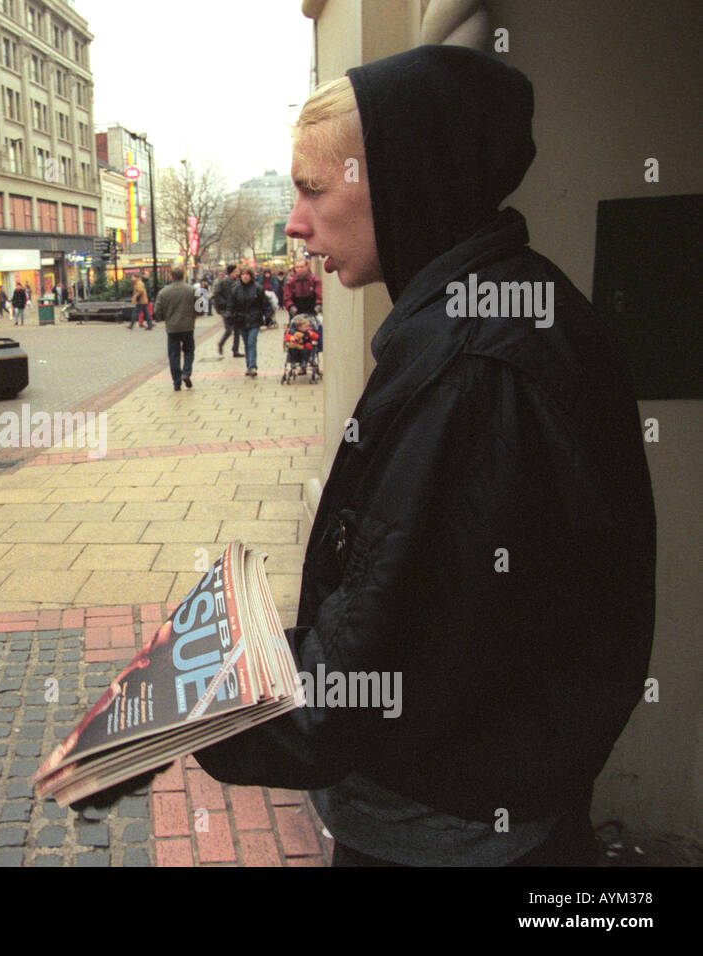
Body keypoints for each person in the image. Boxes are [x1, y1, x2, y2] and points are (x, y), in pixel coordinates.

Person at [194, 45, 656, 867]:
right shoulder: (502, 311)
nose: (295, 225)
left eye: (310, 188)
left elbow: (377, 664)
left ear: (398, 180)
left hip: (445, 830)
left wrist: (195, 701)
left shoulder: (470, 371)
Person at [155, 264, 198, 390]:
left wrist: (165, 318)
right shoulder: (192, 290)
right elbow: (200, 307)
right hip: (188, 326)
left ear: (171, 276)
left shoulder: (163, 292)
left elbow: (157, 311)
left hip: (172, 328)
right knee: (189, 351)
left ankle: (176, 382)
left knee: (174, 355)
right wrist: (193, 315)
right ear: (184, 276)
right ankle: (186, 372)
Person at [225, 266, 272, 376]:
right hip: (240, 320)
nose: (245, 277)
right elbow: (231, 305)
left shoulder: (258, 288)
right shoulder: (235, 289)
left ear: (251, 276)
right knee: (246, 343)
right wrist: (229, 315)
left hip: (254, 319)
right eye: (243, 274)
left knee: (251, 342)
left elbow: (265, 304)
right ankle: (249, 365)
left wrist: (268, 316)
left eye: (247, 274)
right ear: (240, 276)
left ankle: (252, 366)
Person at [283, 257, 322, 323]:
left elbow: (320, 295)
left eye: (302, 267)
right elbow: (287, 297)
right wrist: (291, 307)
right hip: (296, 311)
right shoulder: (290, 282)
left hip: (312, 311)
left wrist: (318, 306)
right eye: (297, 267)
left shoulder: (314, 280)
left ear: (307, 267)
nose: (299, 269)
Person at [212, 265, 241, 357]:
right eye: (236, 271)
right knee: (229, 330)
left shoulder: (237, 282)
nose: (237, 273)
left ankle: (235, 350)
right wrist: (225, 304)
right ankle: (221, 343)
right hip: (226, 309)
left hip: (236, 309)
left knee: (237, 330)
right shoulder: (223, 282)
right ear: (231, 272)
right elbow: (216, 294)